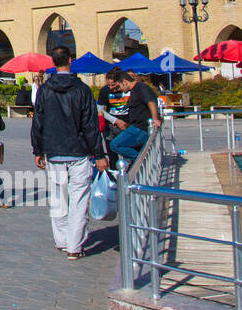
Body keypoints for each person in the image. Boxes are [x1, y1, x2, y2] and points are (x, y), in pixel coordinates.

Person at [31, 46, 106, 259]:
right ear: (70, 60)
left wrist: (38, 149)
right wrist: (99, 154)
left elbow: (38, 121)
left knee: (58, 198)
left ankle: (62, 240)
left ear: (53, 62)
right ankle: (74, 246)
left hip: (54, 152)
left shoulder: (45, 90)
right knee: (79, 199)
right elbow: (91, 125)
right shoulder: (82, 90)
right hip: (79, 152)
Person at [108, 70, 161, 163]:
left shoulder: (140, 87)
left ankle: (143, 161)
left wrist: (155, 119)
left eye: (119, 86)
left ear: (125, 82)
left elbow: (151, 101)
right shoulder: (135, 90)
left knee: (115, 145)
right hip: (137, 126)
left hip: (140, 128)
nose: (119, 89)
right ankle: (141, 160)